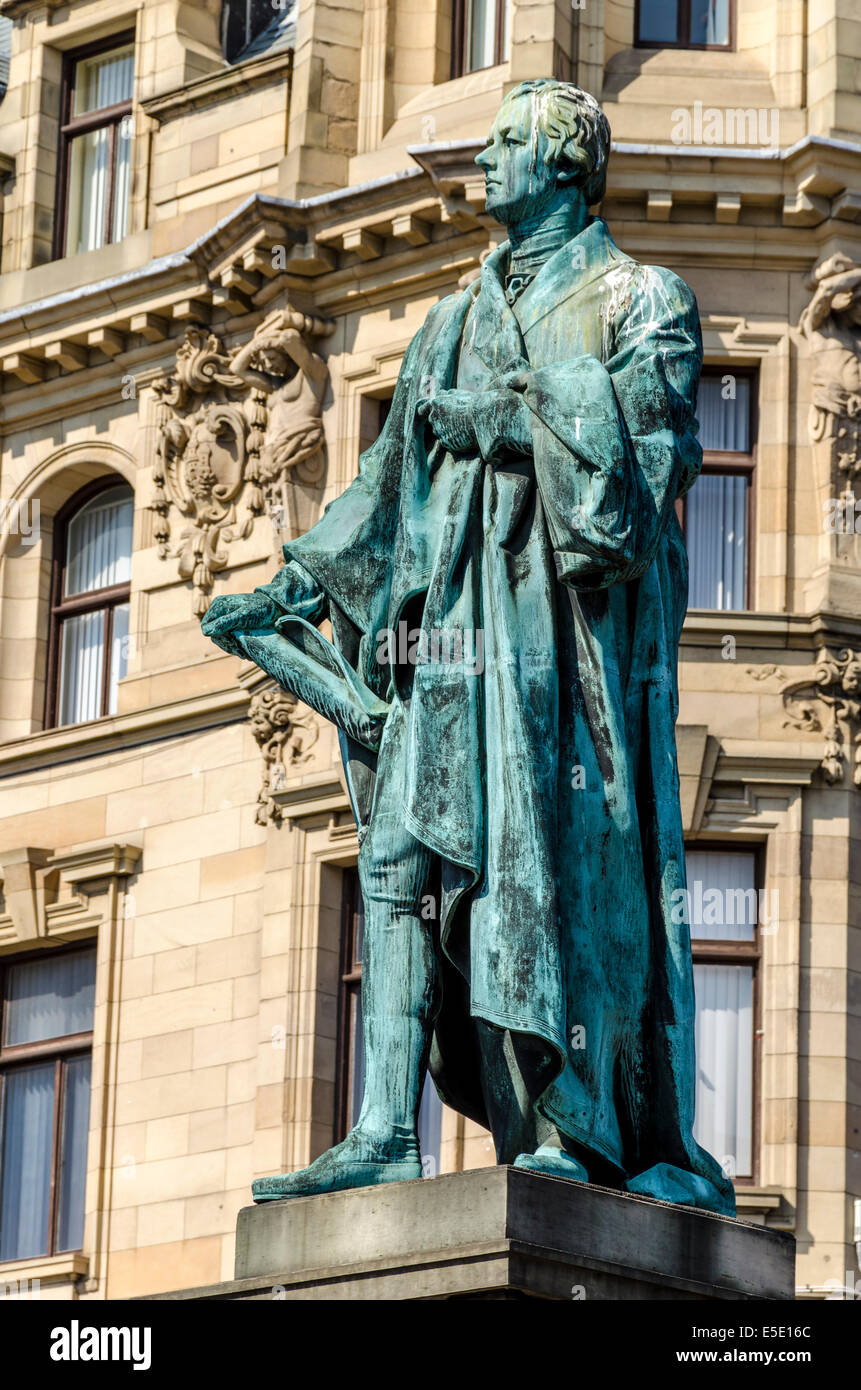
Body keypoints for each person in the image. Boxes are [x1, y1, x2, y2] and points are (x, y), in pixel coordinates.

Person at [202, 79, 735, 1216]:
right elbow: (385, 487)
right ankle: (386, 1129)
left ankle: (567, 1118)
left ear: (561, 162)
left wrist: (511, 419)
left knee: (537, 868)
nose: (481, 159)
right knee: (395, 859)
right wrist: (292, 584)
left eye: (502, 143)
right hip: (444, 632)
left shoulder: (643, 299)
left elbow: (638, 490)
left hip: (554, 646)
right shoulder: (449, 317)